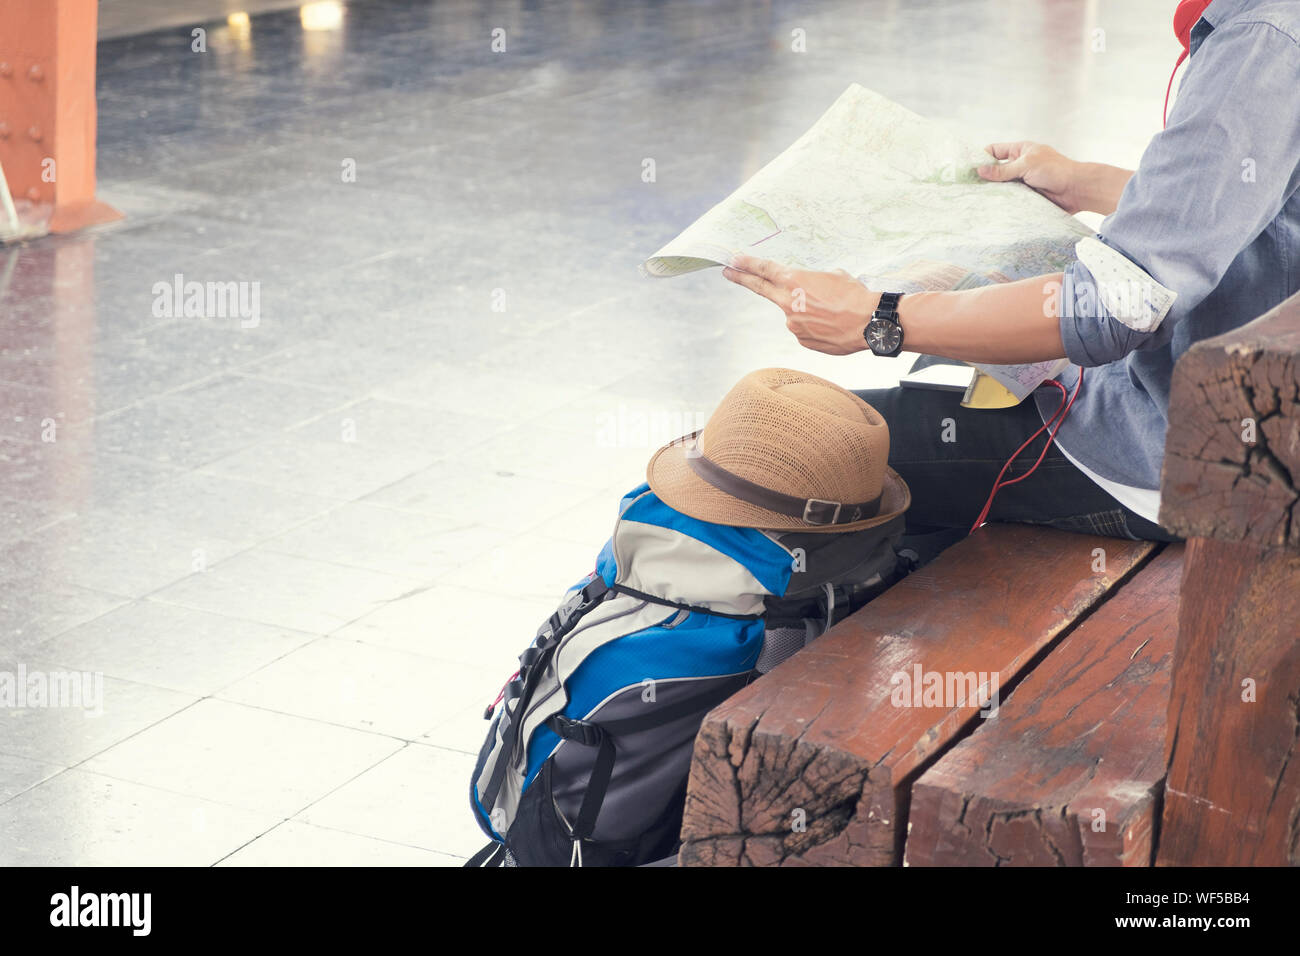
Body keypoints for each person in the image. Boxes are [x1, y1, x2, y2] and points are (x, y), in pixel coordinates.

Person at [722, 0, 1300, 565]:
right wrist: (1086, 183)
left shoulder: (1262, 41)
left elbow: (1110, 311)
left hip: (1186, 455)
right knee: (937, 392)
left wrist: (880, 318)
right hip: (1249, 426)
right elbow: (1262, 216)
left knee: (766, 460)